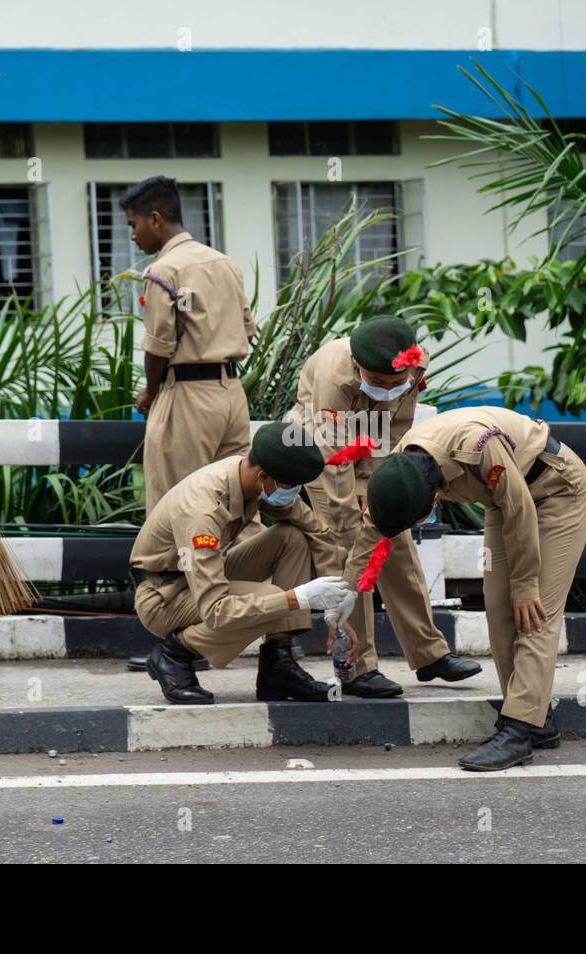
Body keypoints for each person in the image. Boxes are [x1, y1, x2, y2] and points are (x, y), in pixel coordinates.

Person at [337, 406, 586, 771]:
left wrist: (524, 585)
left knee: (535, 610)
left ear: (434, 500)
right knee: (499, 609)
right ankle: (534, 718)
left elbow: (519, 507)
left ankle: (519, 729)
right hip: (501, 499)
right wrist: (344, 606)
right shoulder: (400, 471)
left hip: (555, 489)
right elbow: (370, 534)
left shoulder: (477, 447)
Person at [287, 316, 479, 697]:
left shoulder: (414, 364)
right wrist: (353, 507)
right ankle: (356, 667)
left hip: (375, 443)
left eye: (396, 384)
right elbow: (335, 454)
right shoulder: (335, 379)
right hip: (321, 447)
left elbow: (397, 428)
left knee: (397, 542)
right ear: (359, 368)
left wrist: (381, 486)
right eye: (378, 384)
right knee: (348, 546)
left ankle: (429, 653)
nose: (389, 390)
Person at [131, 422, 352, 704]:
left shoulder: (251, 479)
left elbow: (316, 531)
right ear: (263, 477)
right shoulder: (203, 510)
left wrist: (338, 604)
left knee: (292, 537)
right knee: (275, 600)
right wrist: (299, 598)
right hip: (162, 595)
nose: (295, 492)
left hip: (199, 576)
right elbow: (217, 611)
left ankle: (278, 664)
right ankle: (173, 653)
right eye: (292, 485)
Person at [124, 175, 253, 515]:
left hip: (188, 396)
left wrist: (151, 392)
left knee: (178, 506)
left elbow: (159, 347)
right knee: (235, 502)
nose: (133, 235)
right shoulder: (226, 264)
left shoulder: (162, 272)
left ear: (155, 219)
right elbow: (248, 330)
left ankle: (177, 570)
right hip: (232, 396)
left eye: (134, 225)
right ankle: (242, 569)